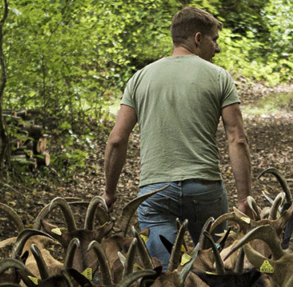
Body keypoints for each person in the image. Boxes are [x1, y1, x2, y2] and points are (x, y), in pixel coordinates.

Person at [103, 6, 252, 266]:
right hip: (205, 189)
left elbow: (117, 140)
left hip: (155, 193)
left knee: (165, 275)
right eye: (214, 40)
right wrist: (243, 199)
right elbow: (237, 138)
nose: (217, 48)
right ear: (197, 38)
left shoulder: (140, 78)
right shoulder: (219, 77)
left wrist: (109, 193)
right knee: (213, 272)